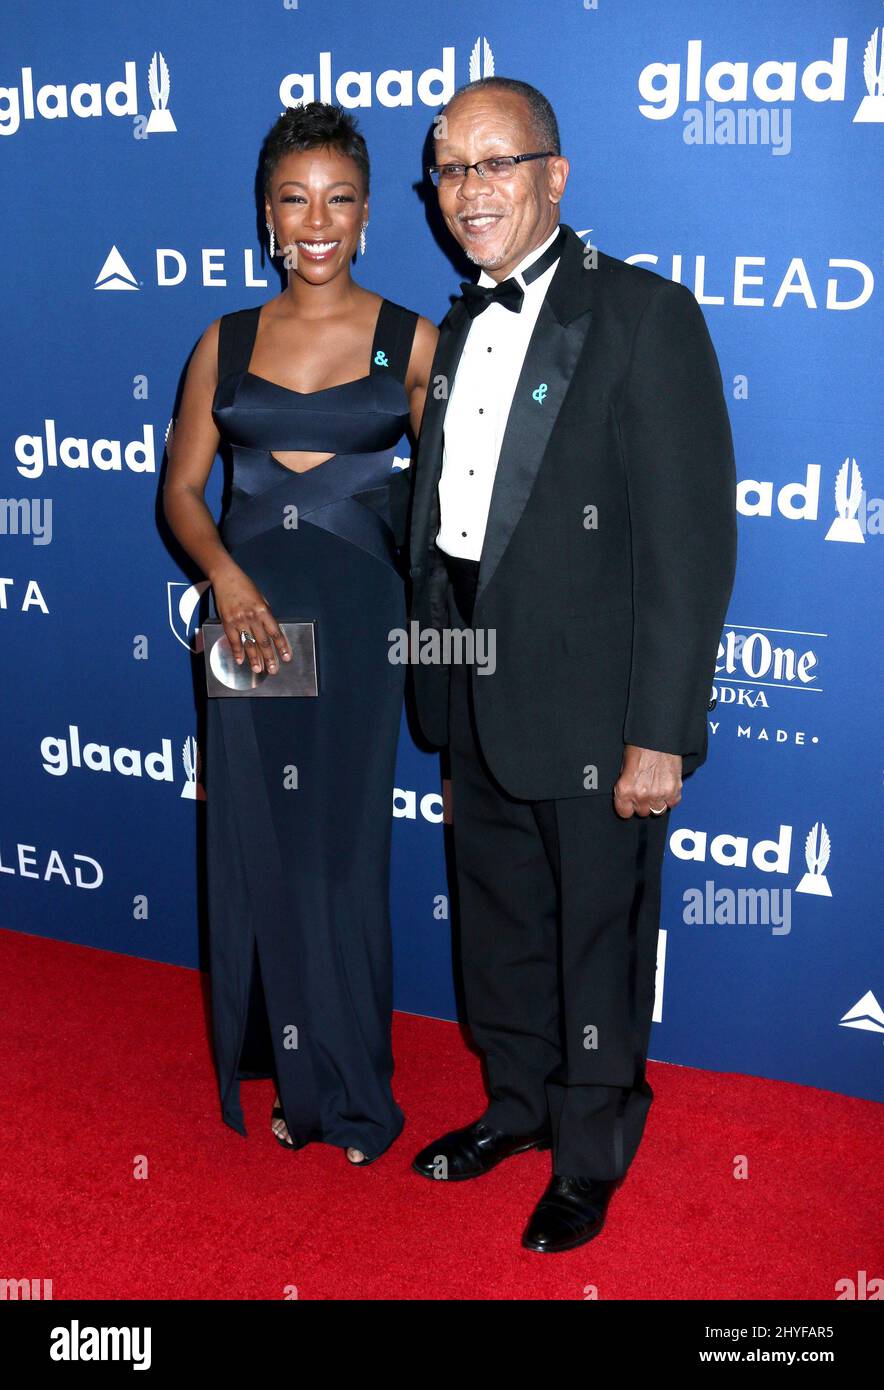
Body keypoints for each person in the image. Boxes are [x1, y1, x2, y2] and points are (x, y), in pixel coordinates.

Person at [406, 77, 737, 1249]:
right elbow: (446, 535)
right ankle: (512, 1107)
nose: (468, 191)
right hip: (473, 686)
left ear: (555, 174)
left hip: (598, 714)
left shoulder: (645, 317)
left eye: (495, 164)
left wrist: (660, 730)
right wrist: (436, 680)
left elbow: (688, 548)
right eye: (450, 168)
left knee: (596, 934)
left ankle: (589, 1151)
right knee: (497, 926)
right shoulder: (452, 330)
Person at [163, 102, 437, 1165]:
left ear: (367, 215)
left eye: (337, 200)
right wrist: (227, 584)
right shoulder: (223, 341)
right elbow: (181, 492)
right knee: (262, 849)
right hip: (250, 626)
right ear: (267, 216)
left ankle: (355, 1087)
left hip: (363, 627)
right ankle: (294, 1073)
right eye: (294, 199)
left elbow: (455, 507)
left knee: (341, 853)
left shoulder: (411, 339)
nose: (315, 221)